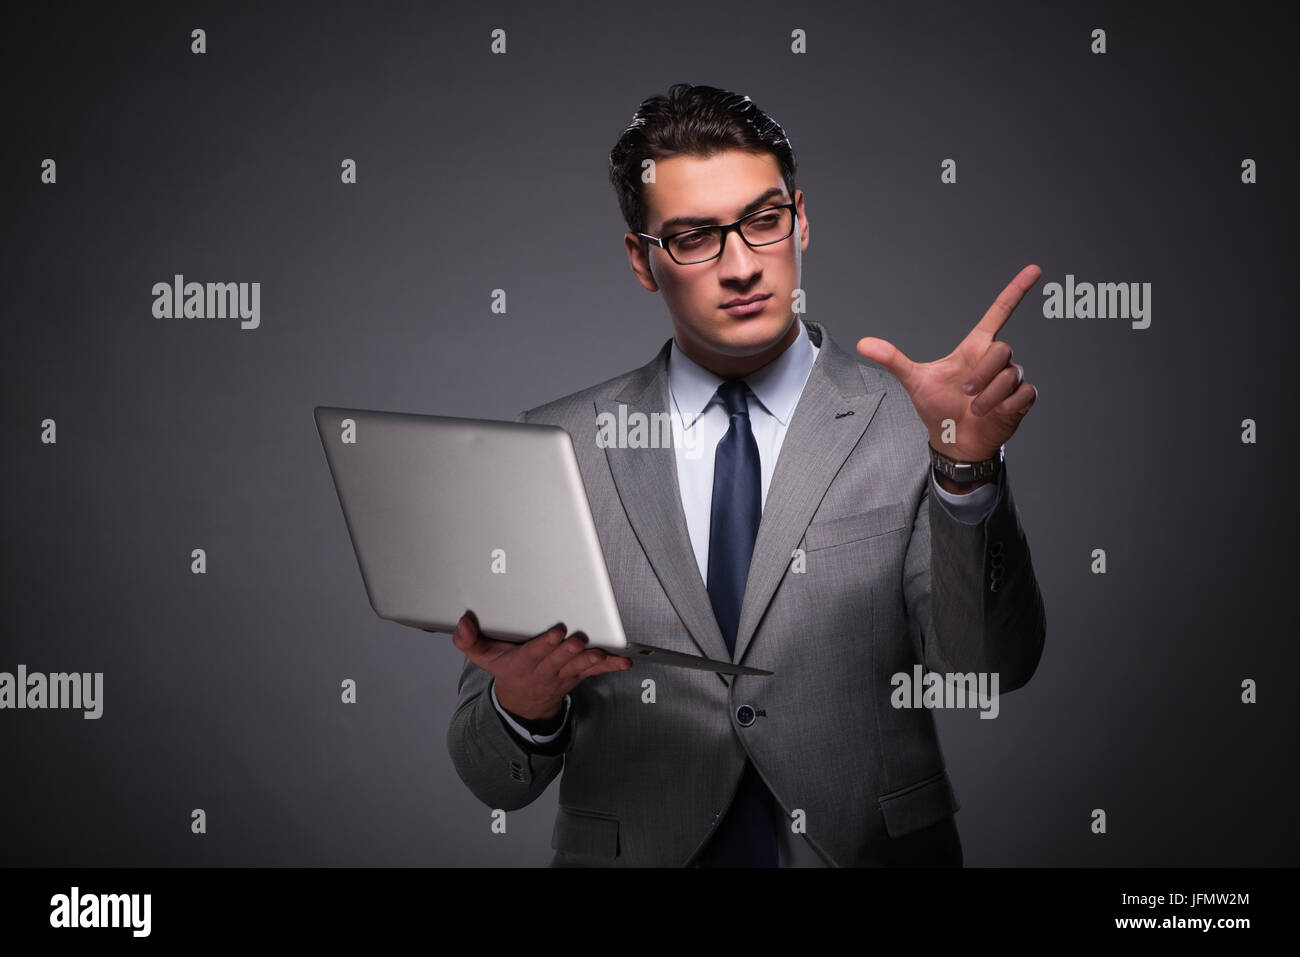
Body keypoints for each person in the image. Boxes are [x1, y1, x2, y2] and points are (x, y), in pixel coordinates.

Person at [446, 83, 1046, 867]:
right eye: (694, 236)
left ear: (801, 217)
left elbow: (988, 671)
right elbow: (493, 776)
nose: (741, 266)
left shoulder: (912, 422)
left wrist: (965, 471)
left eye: (764, 222)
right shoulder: (556, 447)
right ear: (641, 260)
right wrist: (522, 702)